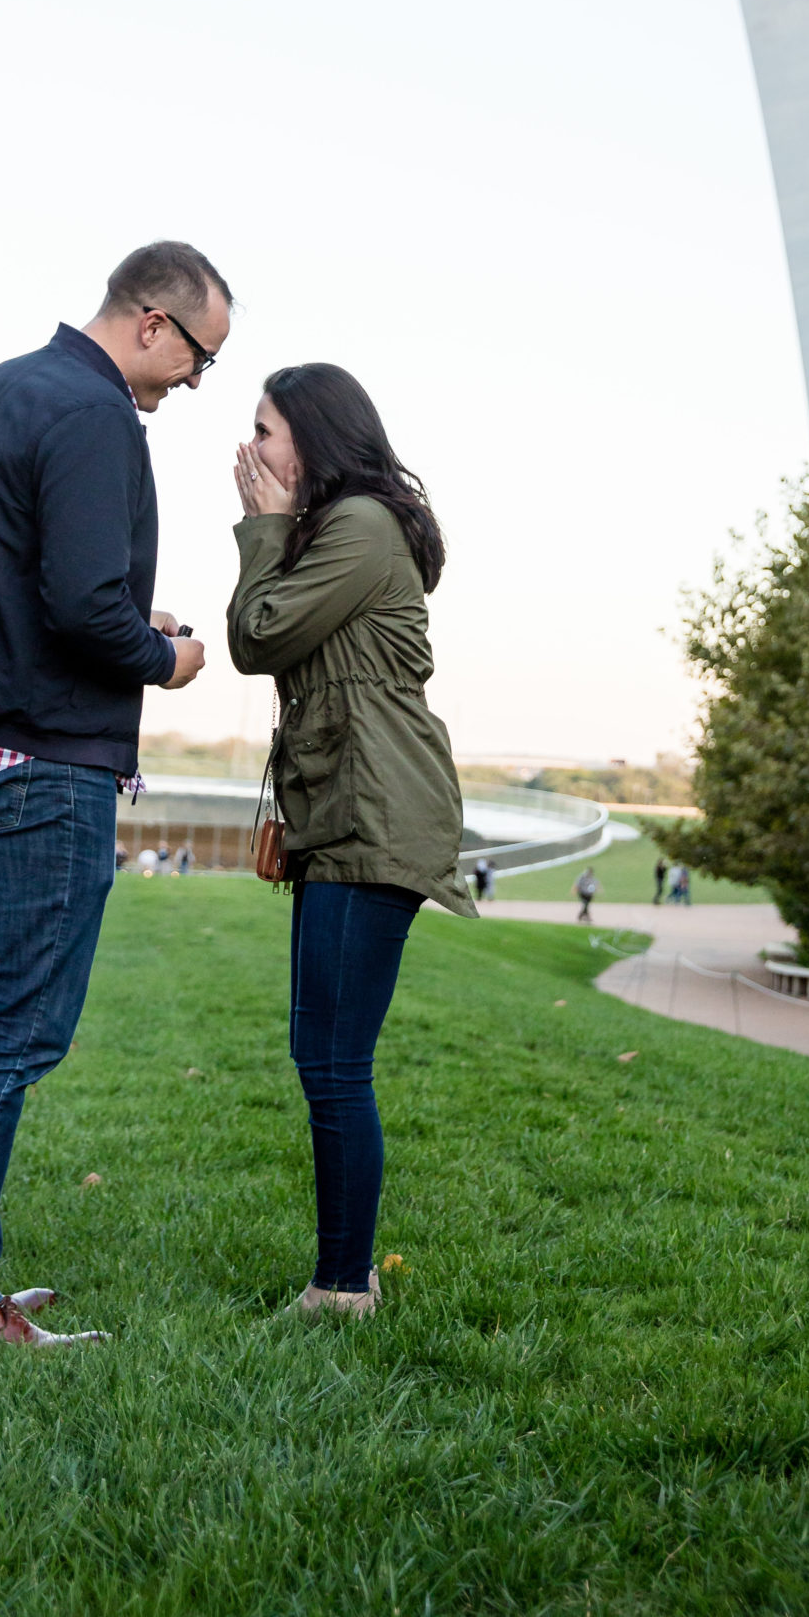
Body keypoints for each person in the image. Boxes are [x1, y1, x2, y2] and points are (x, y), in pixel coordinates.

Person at [0, 241, 232, 1347]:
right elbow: (88, 610)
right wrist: (168, 655)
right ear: (150, 319)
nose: (192, 383)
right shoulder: (93, 415)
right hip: (36, 763)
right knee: (9, 1034)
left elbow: (31, 587)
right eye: (197, 357)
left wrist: (129, 622)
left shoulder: (6, 383)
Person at [228, 362, 474, 1323]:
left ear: (315, 439)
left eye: (266, 430)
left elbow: (256, 633)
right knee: (320, 1051)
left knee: (333, 1060)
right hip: (345, 808)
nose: (251, 450)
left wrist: (263, 528)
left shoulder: (360, 527)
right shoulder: (341, 528)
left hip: (377, 813)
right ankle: (346, 1275)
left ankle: (341, 1287)